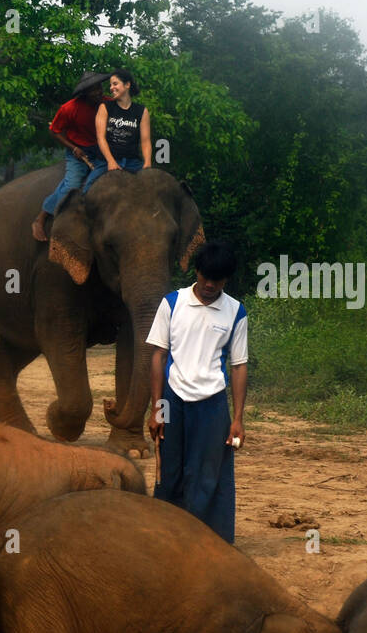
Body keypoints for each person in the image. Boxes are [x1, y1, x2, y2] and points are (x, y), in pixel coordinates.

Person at [146, 241, 247, 544]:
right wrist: (157, 410)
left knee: (208, 475)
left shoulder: (235, 312)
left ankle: (208, 543)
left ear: (226, 280)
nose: (210, 285)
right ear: (197, 272)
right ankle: (165, 538)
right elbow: (158, 356)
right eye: (205, 277)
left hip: (212, 405)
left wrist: (237, 419)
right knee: (170, 471)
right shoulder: (172, 303)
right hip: (173, 400)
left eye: (217, 280)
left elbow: (238, 367)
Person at [31, 71, 109, 241]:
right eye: (94, 90)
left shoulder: (108, 103)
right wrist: (73, 148)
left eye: (100, 87)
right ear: (85, 92)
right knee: (71, 185)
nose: (99, 92)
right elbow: (54, 131)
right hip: (78, 151)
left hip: (101, 151)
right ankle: (42, 218)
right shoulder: (69, 108)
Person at [83, 68, 152, 194]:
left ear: (127, 85)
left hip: (133, 162)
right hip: (106, 162)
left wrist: (147, 163)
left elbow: (145, 141)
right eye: (110, 85)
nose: (111, 88)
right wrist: (111, 161)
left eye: (115, 84)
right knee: (87, 190)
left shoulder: (141, 111)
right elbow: (101, 138)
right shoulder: (105, 107)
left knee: (152, 191)